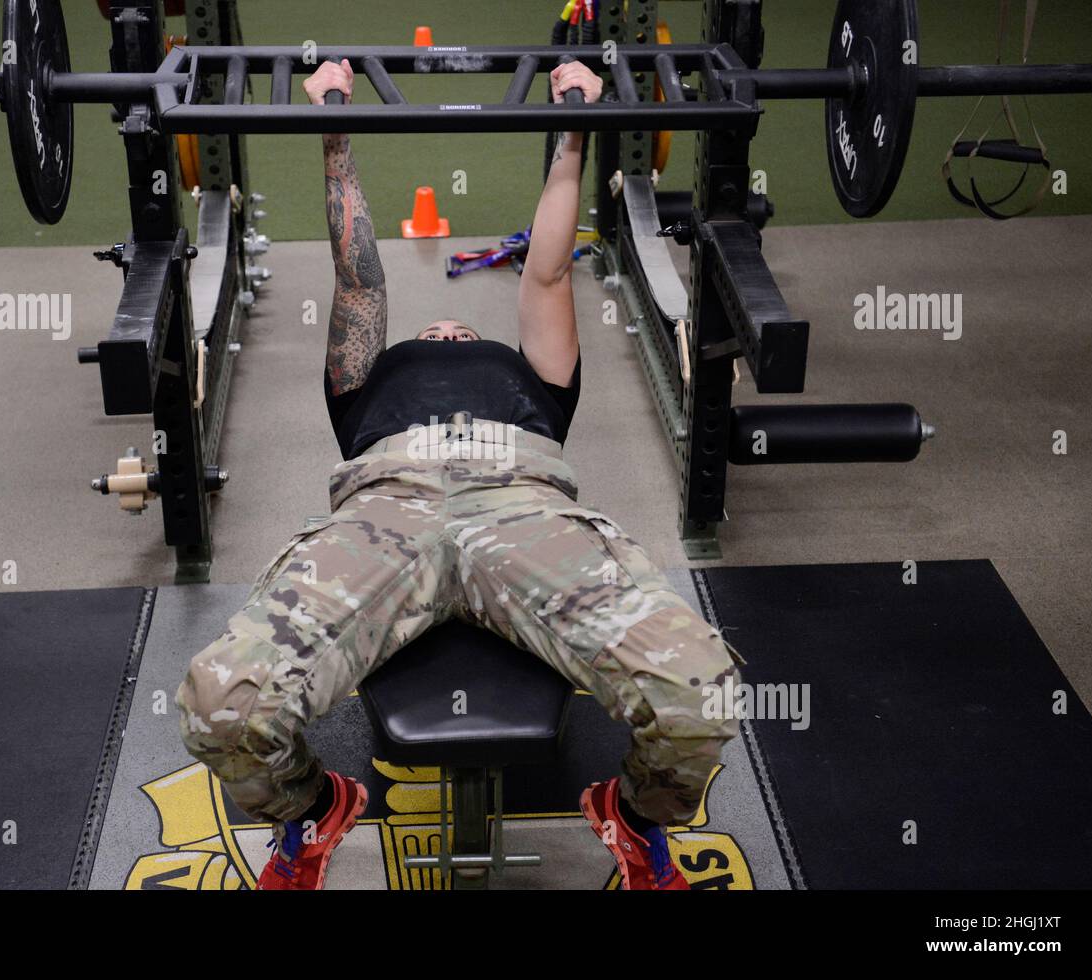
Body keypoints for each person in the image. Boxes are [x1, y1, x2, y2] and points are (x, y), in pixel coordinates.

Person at [176, 58, 741, 890]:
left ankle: (634, 814)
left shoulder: (533, 375)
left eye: (463, 329)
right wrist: (333, 118)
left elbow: (546, 267)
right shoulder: (368, 379)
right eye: (433, 329)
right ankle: (308, 811)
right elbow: (359, 273)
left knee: (704, 697)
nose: (448, 329)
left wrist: (572, 131)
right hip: (386, 512)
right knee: (222, 704)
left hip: (520, 505)